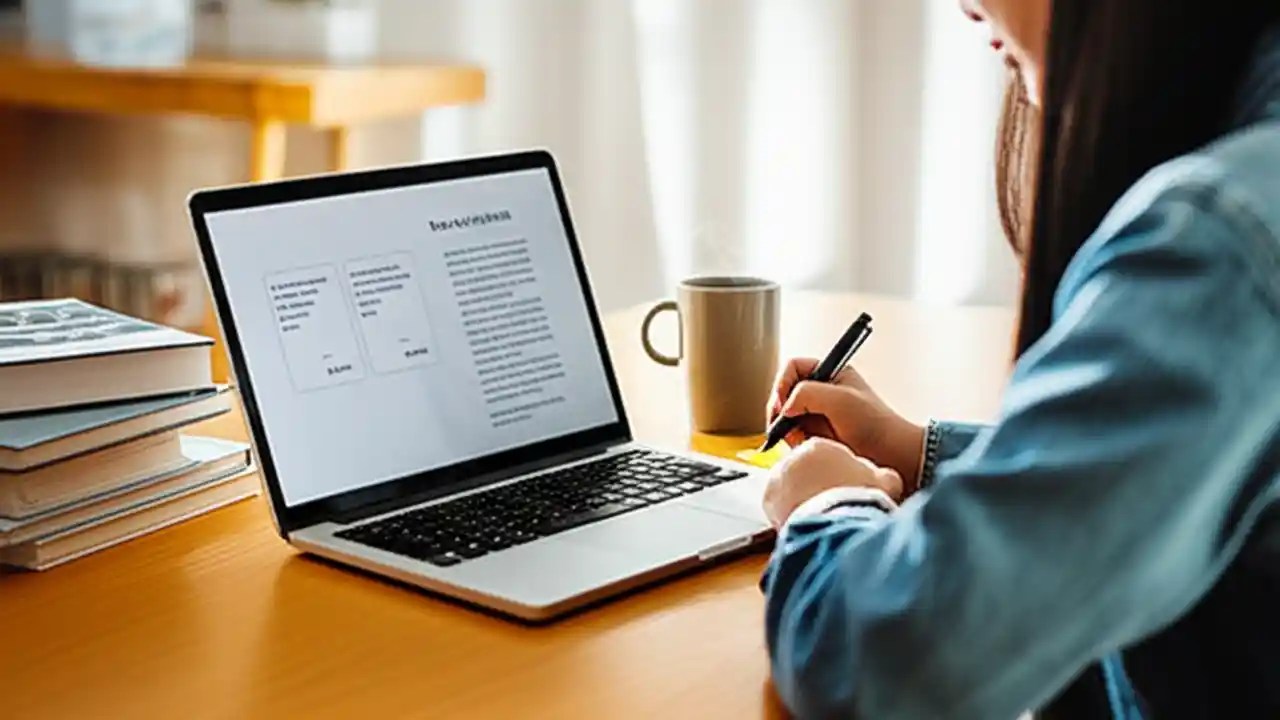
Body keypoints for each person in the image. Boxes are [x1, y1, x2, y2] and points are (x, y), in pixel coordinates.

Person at [759, 1, 1280, 718]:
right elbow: (1178, 481)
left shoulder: (1217, 246)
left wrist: (827, 506)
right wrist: (918, 455)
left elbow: (892, 664)